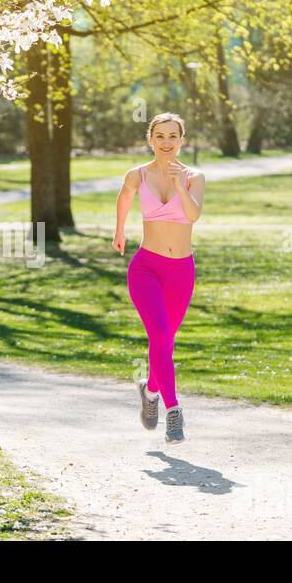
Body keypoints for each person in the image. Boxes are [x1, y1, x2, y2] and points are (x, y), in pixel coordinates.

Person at [111, 112, 205, 443]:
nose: (166, 143)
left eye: (172, 136)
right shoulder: (137, 175)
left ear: (182, 140)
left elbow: (193, 214)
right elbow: (124, 196)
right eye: (160, 136)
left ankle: (150, 392)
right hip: (146, 268)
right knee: (160, 337)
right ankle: (174, 411)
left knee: (165, 342)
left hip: (181, 271)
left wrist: (179, 184)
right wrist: (119, 230)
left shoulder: (194, 177)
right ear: (151, 140)